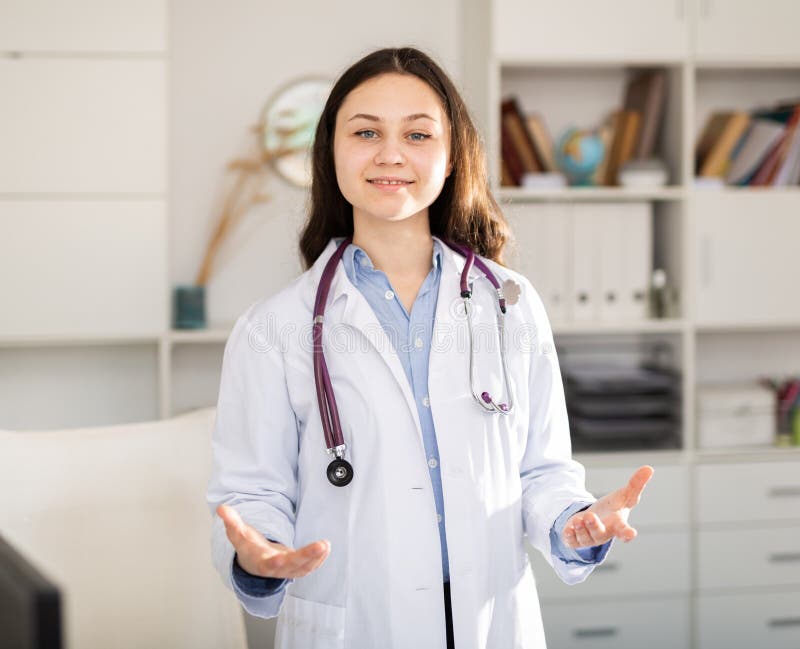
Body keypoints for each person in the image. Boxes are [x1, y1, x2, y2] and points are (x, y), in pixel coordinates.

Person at [207, 46, 654, 649]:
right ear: (331, 153)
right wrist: (260, 555)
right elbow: (252, 494)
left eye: (418, 134)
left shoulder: (511, 304)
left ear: (451, 158)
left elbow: (543, 471)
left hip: (489, 623)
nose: (391, 153)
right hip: (355, 625)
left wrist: (576, 523)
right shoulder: (273, 328)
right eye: (366, 132)